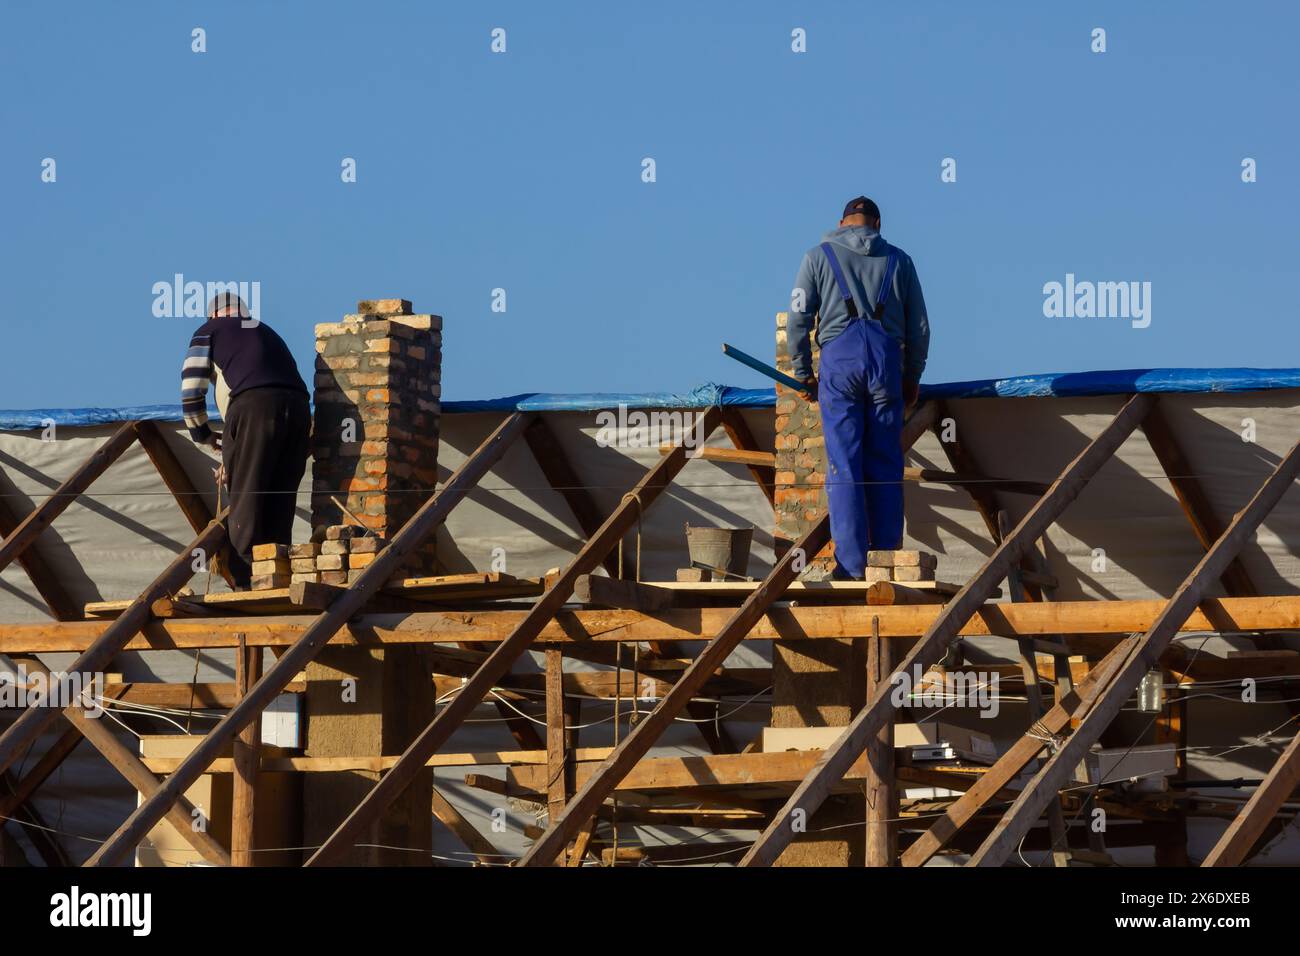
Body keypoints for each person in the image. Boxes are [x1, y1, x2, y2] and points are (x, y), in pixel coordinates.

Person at [787, 196, 930, 579]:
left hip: (840, 363)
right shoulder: (900, 261)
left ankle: (851, 567)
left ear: (841, 222)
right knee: (885, 462)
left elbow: (799, 318)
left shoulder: (817, 257)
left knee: (845, 466)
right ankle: (884, 560)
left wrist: (803, 373)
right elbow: (919, 328)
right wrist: (911, 377)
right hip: (886, 366)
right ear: (877, 225)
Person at [180, 293, 310, 589]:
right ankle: (277, 574)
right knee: (279, 496)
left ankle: (247, 581)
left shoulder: (208, 331)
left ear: (213, 315)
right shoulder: (266, 331)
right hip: (300, 410)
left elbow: (191, 392)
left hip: (254, 406)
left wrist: (202, 435)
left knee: (247, 496)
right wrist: (233, 453)